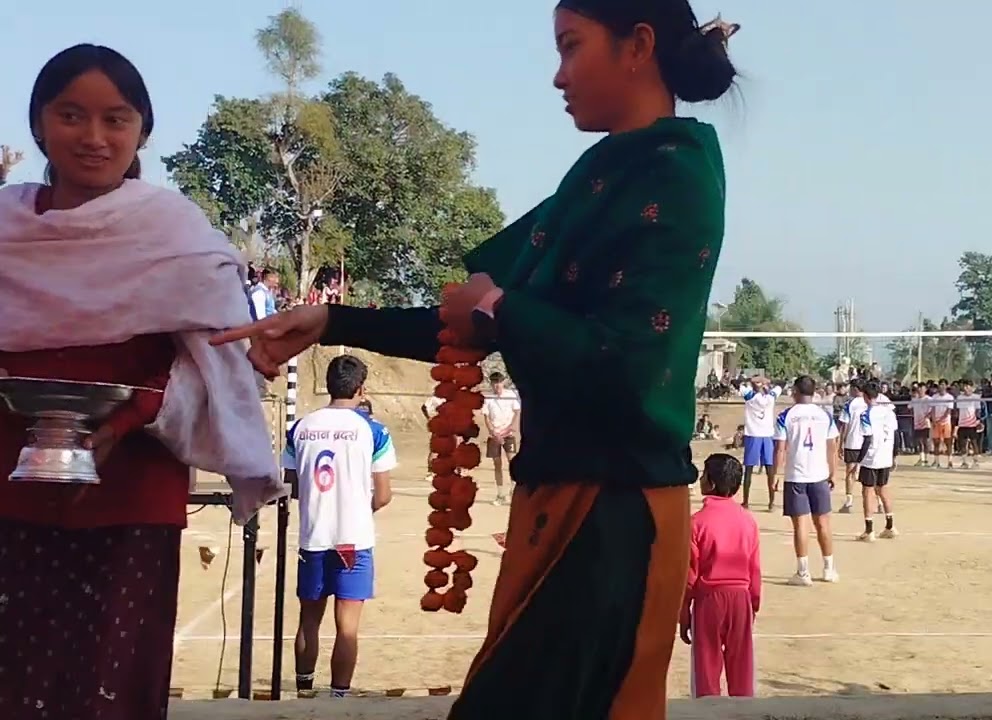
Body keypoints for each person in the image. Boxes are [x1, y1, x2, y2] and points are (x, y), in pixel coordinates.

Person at [211, 3, 740, 717]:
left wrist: (499, 307)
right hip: (561, 496)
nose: (558, 76)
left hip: (615, 507)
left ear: (637, 46)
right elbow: (470, 323)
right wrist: (332, 321)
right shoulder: (604, 175)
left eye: (571, 47)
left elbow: (627, 364)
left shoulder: (674, 176)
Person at [0, 45, 282, 720]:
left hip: (133, 488)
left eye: (115, 118)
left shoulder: (176, 234)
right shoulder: (5, 228)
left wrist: (121, 422)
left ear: (142, 131)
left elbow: (215, 365)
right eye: (71, 115)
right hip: (10, 481)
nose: (93, 137)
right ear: (39, 123)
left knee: (113, 684)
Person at [284, 355, 396, 697]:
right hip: (354, 540)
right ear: (361, 389)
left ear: (328, 385)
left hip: (314, 536)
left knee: (309, 620)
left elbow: (291, 485)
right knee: (347, 627)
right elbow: (383, 495)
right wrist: (358, 509)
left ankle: (304, 691)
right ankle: (338, 698)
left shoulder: (300, 428)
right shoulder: (374, 431)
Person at [680, 453, 759, 698]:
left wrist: (684, 612)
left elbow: (689, 574)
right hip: (741, 598)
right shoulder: (748, 521)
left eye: (704, 475)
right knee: (741, 667)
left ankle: (707, 709)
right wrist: (753, 605)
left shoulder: (696, 522)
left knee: (706, 667)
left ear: (711, 483)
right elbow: (754, 568)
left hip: (709, 600)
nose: (701, 479)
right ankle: (744, 711)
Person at [774, 375, 840, 586]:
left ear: (795, 391)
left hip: (796, 476)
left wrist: (775, 474)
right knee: (823, 523)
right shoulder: (824, 415)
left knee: (801, 524)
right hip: (819, 474)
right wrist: (833, 473)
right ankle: (829, 569)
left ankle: (803, 573)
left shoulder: (786, 416)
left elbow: (780, 448)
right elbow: (832, 447)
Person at [855, 382, 899, 541]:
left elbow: (867, 439)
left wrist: (858, 460)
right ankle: (890, 526)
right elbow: (896, 435)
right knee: (883, 488)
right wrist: (894, 455)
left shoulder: (866, 415)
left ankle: (869, 530)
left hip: (871, 458)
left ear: (865, 397)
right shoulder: (889, 413)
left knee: (867, 491)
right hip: (885, 456)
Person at [740, 375, 781, 509]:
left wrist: (751, 381)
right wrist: (767, 381)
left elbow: (737, 383)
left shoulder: (749, 396)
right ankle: (771, 502)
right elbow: (781, 384)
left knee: (749, 469)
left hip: (753, 435)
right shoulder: (770, 397)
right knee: (770, 470)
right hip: (767, 436)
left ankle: (746, 501)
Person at [481, 372, 521, 505]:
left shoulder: (510, 395)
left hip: (508, 433)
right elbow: (486, 417)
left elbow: (517, 412)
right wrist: (493, 432)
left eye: (499, 382)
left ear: (503, 383)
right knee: (497, 463)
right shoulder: (488, 398)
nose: (497, 385)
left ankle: (513, 491)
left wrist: (510, 428)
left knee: (512, 462)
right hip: (495, 434)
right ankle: (500, 493)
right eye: (494, 383)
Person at [836, 379, 868, 513]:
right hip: (868, 442)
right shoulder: (870, 402)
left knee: (850, 472)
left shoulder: (850, 404)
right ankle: (877, 502)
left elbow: (844, 426)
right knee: (870, 472)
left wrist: (840, 444)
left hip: (853, 442)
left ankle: (849, 501)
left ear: (855, 389)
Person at [954, 379, 984, 469]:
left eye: (968, 386)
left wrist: (978, 420)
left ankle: (975, 462)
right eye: (965, 386)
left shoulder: (976, 397)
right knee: (962, 444)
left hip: (972, 424)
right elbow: (957, 411)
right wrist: (956, 424)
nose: (966, 388)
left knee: (974, 443)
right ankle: (964, 462)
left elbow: (978, 410)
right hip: (962, 424)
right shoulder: (959, 397)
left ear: (972, 387)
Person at [928, 383, 955, 468]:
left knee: (948, 442)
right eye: (940, 385)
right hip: (936, 422)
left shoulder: (950, 397)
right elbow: (932, 409)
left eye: (943, 385)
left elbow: (948, 411)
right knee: (936, 442)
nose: (942, 387)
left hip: (946, 422)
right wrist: (933, 420)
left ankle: (950, 462)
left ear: (946, 386)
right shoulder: (934, 397)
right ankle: (936, 462)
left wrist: (940, 419)